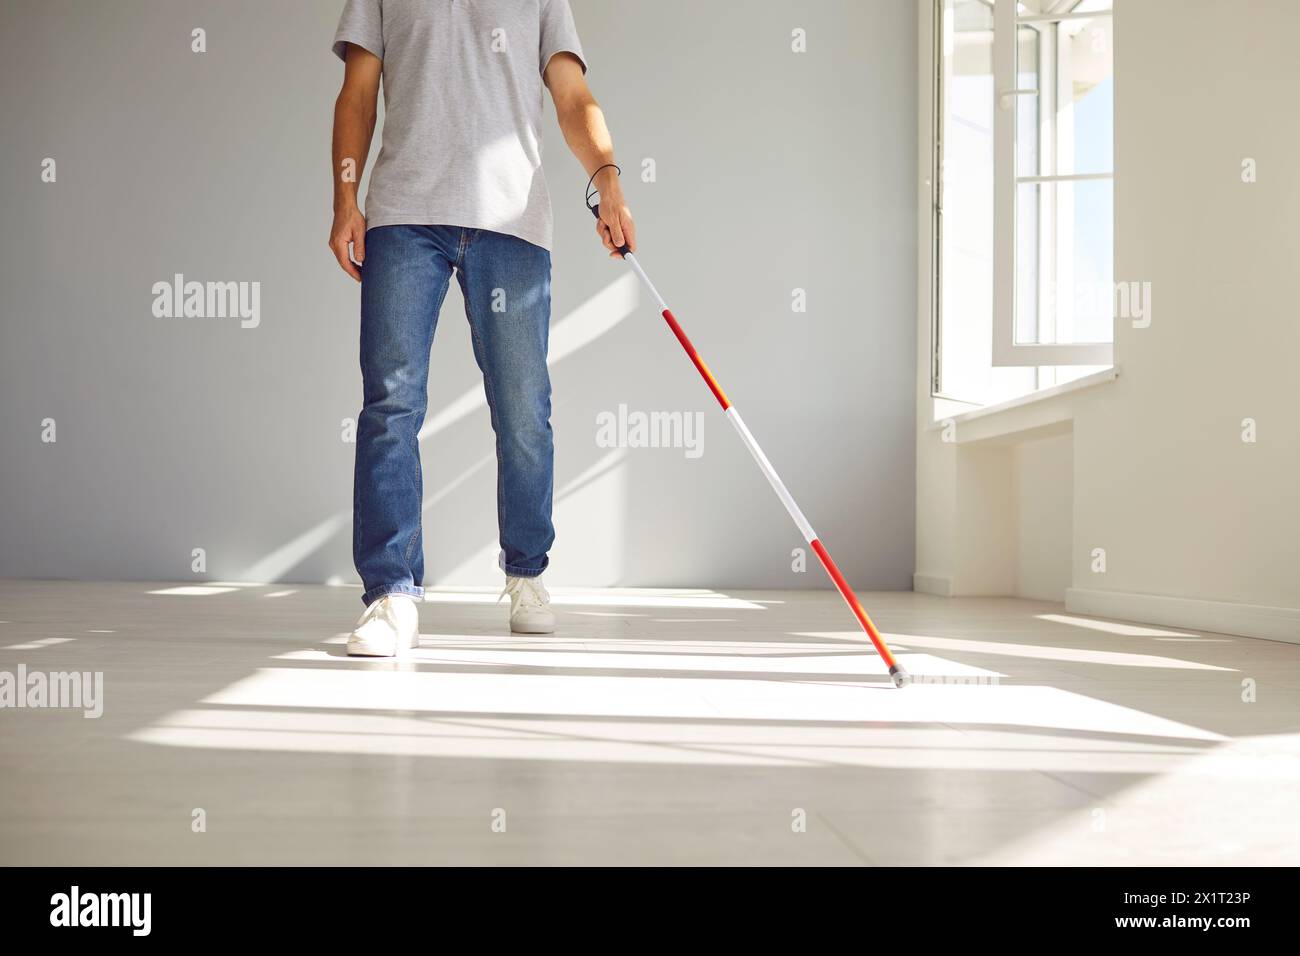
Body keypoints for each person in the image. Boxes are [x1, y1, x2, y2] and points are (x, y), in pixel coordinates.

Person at [328, 0, 634, 656]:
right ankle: (390, 593)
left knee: (524, 410)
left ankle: (528, 572)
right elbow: (356, 93)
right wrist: (345, 197)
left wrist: (607, 181)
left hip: (511, 220)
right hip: (404, 214)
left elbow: (572, 94)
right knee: (392, 404)